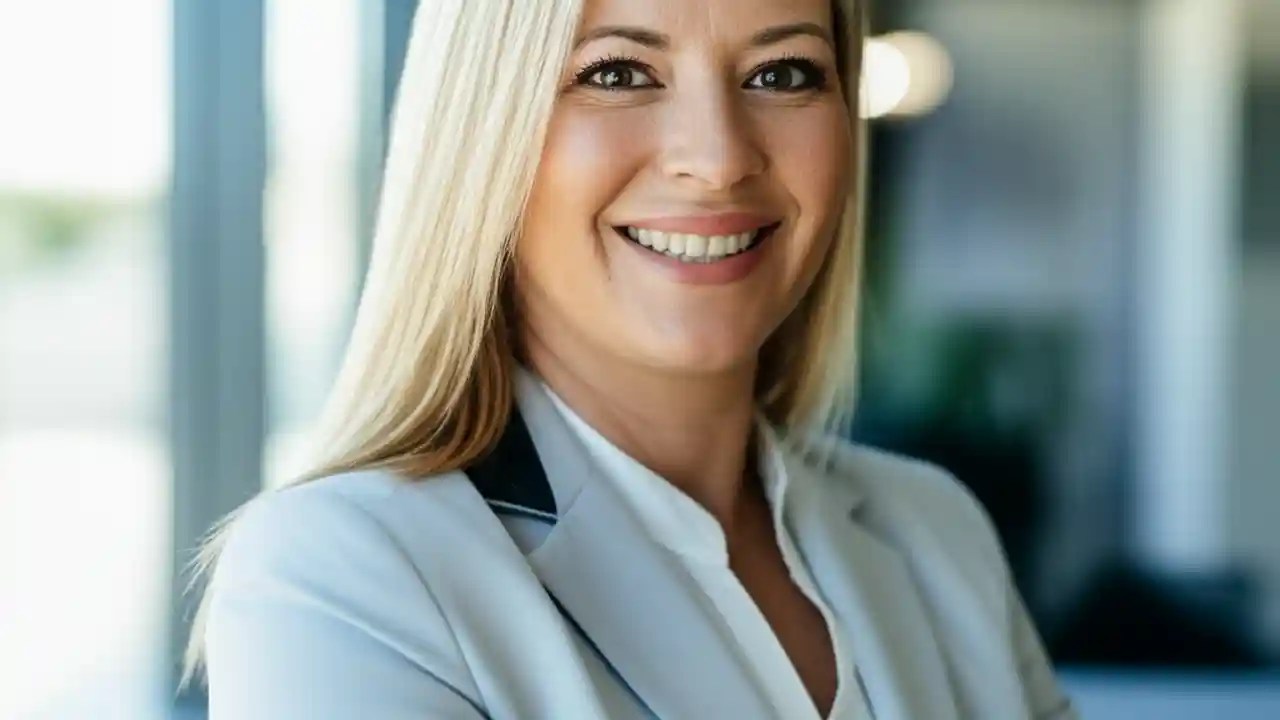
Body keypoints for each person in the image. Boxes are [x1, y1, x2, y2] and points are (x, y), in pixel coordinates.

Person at [183, 0, 1079, 718]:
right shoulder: (344, 574)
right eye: (618, 72)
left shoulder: (936, 531)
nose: (719, 158)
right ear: (484, 131)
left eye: (782, 72)